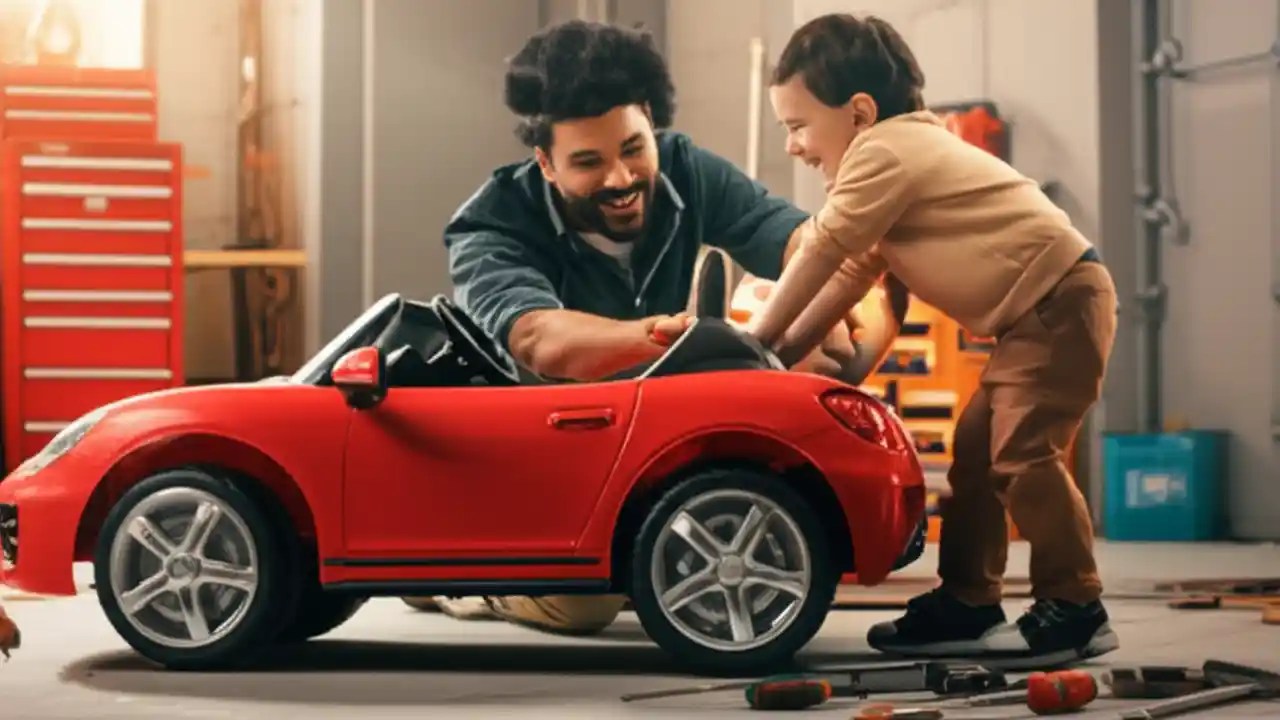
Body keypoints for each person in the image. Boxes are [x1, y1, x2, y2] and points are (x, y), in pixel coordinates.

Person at [435, 19, 862, 635]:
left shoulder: (686, 169)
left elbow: (801, 240)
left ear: (650, 125)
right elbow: (540, 340)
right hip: (539, 457)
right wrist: (676, 337)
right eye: (588, 162)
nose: (621, 179)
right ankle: (464, 588)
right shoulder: (490, 227)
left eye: (634, 148)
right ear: (546, 164)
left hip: (650, 447)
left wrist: (831, 305)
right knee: (582, 606)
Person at [746, 13, 1120, 666]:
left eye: (798, 125)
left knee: (1022, 455)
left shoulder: (887, 151)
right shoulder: (894, 157)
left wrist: (755, 339)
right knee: (974, 454)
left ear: (859, 113)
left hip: (1060, 304)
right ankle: (969, 603)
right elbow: (854, 271)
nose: (792, 146)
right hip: (1037, 316)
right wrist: (778, 361)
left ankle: (1075, 606)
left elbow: (825, 251)